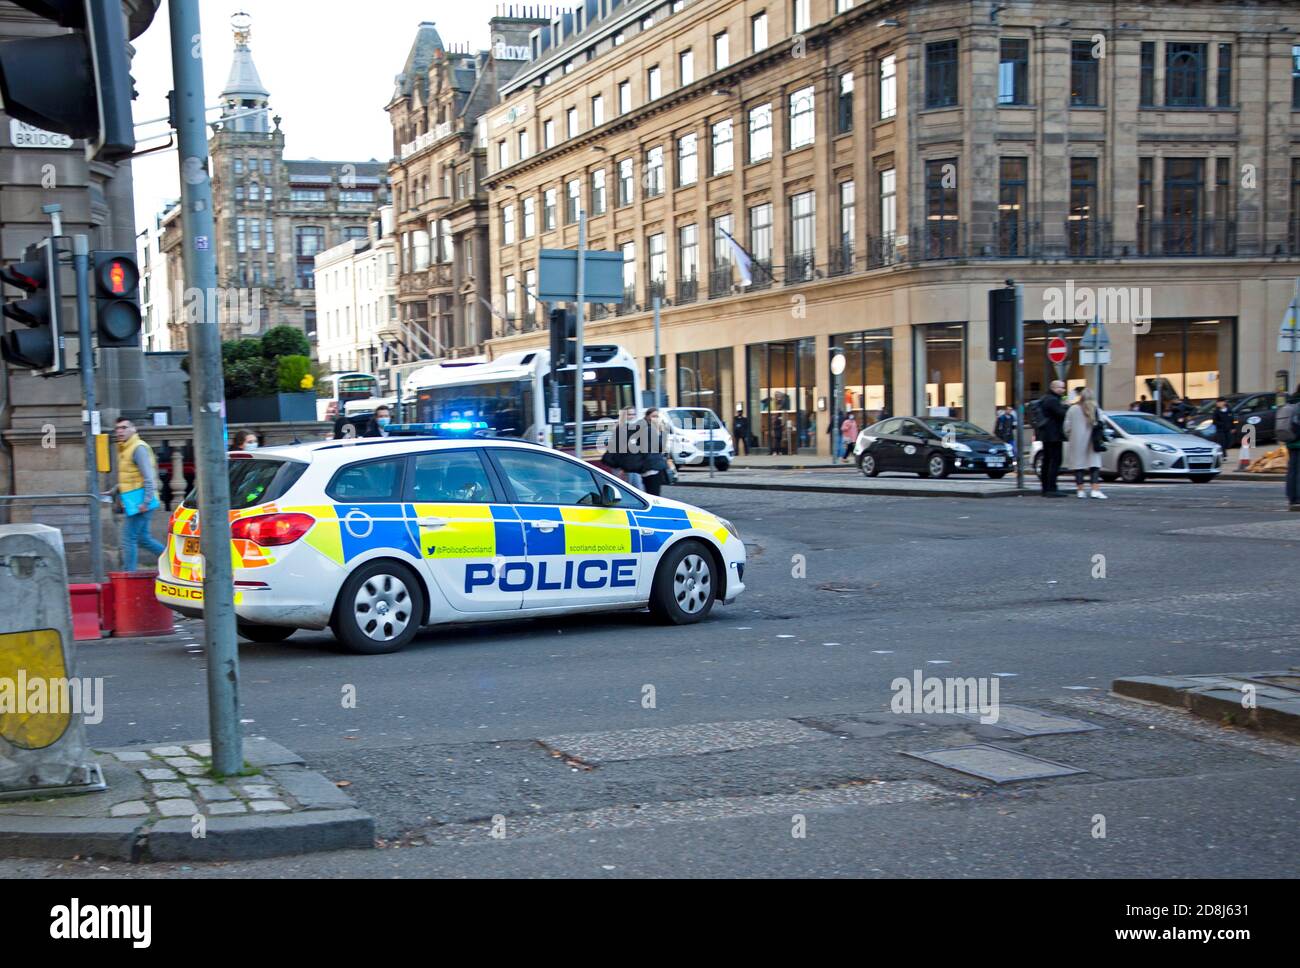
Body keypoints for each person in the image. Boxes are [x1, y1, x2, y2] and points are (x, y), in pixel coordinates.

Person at [111, 418, 166, 571]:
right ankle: (172, 561)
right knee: (143, 538)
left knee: (128, 538)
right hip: (136, 500)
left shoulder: (138, 448)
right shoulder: (125, 448)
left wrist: (146, 502)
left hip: (141, 502)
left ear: (133, 429)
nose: (120, 431)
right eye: (117, 428)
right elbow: (131, 477)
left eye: (124, 427)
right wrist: (114, 490)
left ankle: (129, 575)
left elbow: (148, 476)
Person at [1064, 387, 1106, 500]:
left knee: (1078, 467)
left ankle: (1080, 491)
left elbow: (1067, 427)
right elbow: (1102, 424)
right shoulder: (1096, 409)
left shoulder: (1073, 409)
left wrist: (1071, 436)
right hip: (1093, 441)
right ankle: (1095, 490)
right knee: (1094, 466)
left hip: (1077, 441)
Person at [1036, 380, 1068, 497]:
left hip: (1047, 434)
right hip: (1053, 435)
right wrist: (1066, 406)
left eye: (1063, 388)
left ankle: (1046, 487)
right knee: (1055, 461)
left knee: (1048, 461)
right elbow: (1061, 414)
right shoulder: (1052, 400)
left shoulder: (1046, 398)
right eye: (1061, 388)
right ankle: (1051, 488)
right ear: (1054, 388)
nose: (1063, 390)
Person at [602, 408, 645, 490]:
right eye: (629, 414)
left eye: (633, 414)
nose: (631, 416)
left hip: (633, 464)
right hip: (623, 465)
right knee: (626, 488)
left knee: (636, 487)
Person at [638, 408, 671, 496]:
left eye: (657, 416)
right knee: (654, 495)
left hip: (646, 467)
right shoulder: (649, 429)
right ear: (647, 416)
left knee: (650, 493)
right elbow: (661, 447)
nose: (656, 418)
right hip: (652, 467)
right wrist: (662, 432)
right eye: (653, 416)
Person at [1286, 385, 1300, 511]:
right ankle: (1297, 497)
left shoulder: (1290, 402)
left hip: (1290, 441)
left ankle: (1291, 496)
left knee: (1292, 470)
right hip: (1298, 441)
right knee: (1298, 471)